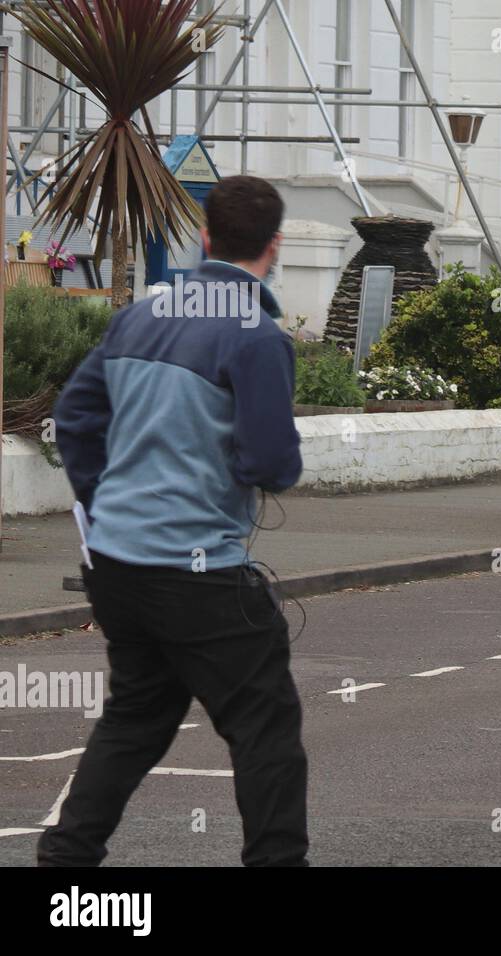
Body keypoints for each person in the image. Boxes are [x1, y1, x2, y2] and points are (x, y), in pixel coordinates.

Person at [40, 176, 308, 867]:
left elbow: (74, 418)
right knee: (264, 727)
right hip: (200, 573)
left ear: (207, 239)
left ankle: (66, 860)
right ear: (274, 247)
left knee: (134, 718)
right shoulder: (257, 336)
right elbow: (273, 461)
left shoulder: (141, 316)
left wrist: (108, 503)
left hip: (117, 563)